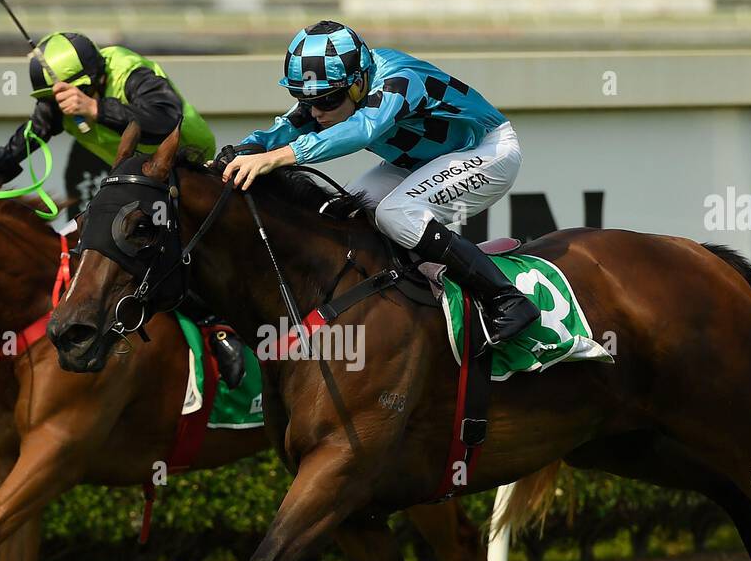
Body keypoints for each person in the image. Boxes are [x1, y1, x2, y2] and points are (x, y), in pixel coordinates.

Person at [0, 32, 246, 386]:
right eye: (53, 100)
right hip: (136, 175)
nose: (61, 106)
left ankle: (221, 329)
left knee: (172, 249)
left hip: (188, 164)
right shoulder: (60, 95)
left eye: (74, 95)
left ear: (95, 79)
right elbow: (28, 137)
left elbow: (166, 118)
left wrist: (94, 109)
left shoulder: (130, 71)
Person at [223, 20, 539, 346]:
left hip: (488, 150)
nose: (316, 111)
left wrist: (277, 157)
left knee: (394, 213)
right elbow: (285, 129)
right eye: (304, 98)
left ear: (359, 84)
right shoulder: (337, 88)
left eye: (327, 100)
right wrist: (248, 149)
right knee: (346, 210)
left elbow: (363, 129)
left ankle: (507, 298)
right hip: (423, 161)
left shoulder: (399, 81)